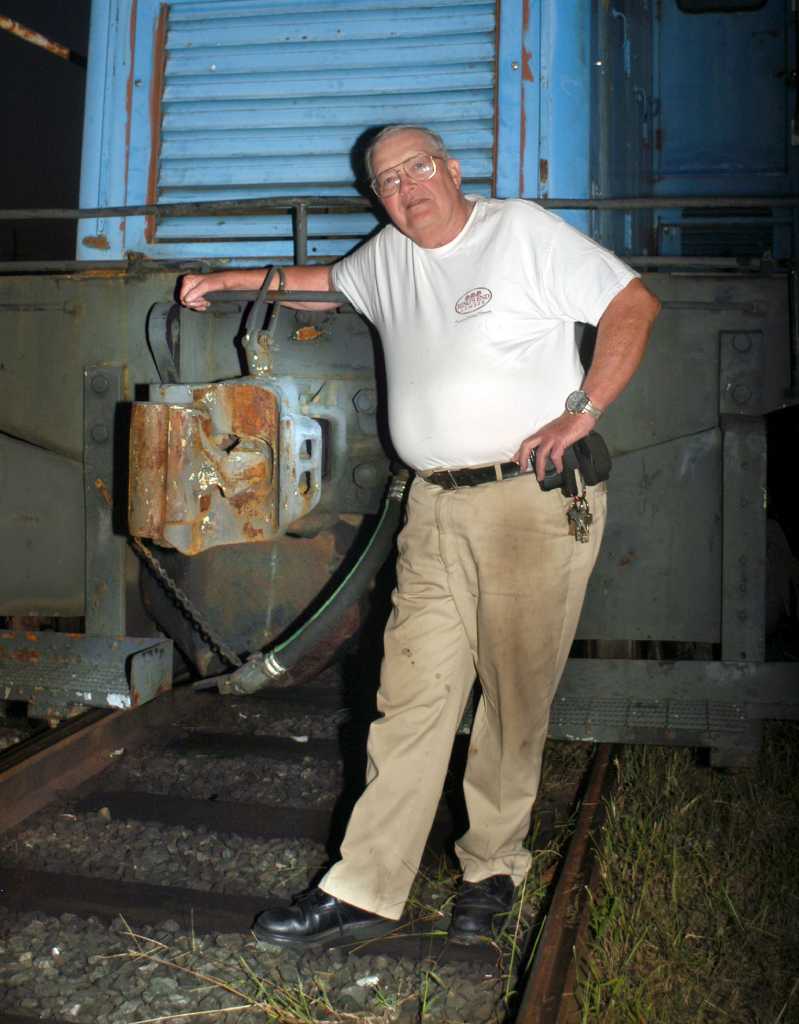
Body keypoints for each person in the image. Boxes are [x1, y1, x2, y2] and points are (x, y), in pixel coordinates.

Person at [180, 124, 660, 947]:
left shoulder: (518, 230)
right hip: (433, 509)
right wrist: (225, 279)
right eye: (387, 181)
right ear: (377, 198)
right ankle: (365, 887)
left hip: (527, 502)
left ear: (451, 168)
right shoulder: (387, 256)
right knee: (407, 694)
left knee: (512, 697)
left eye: (416, 168)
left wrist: (581, 412)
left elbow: (632, 303)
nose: (405, 188)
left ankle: (491, 868)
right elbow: (323, 284)